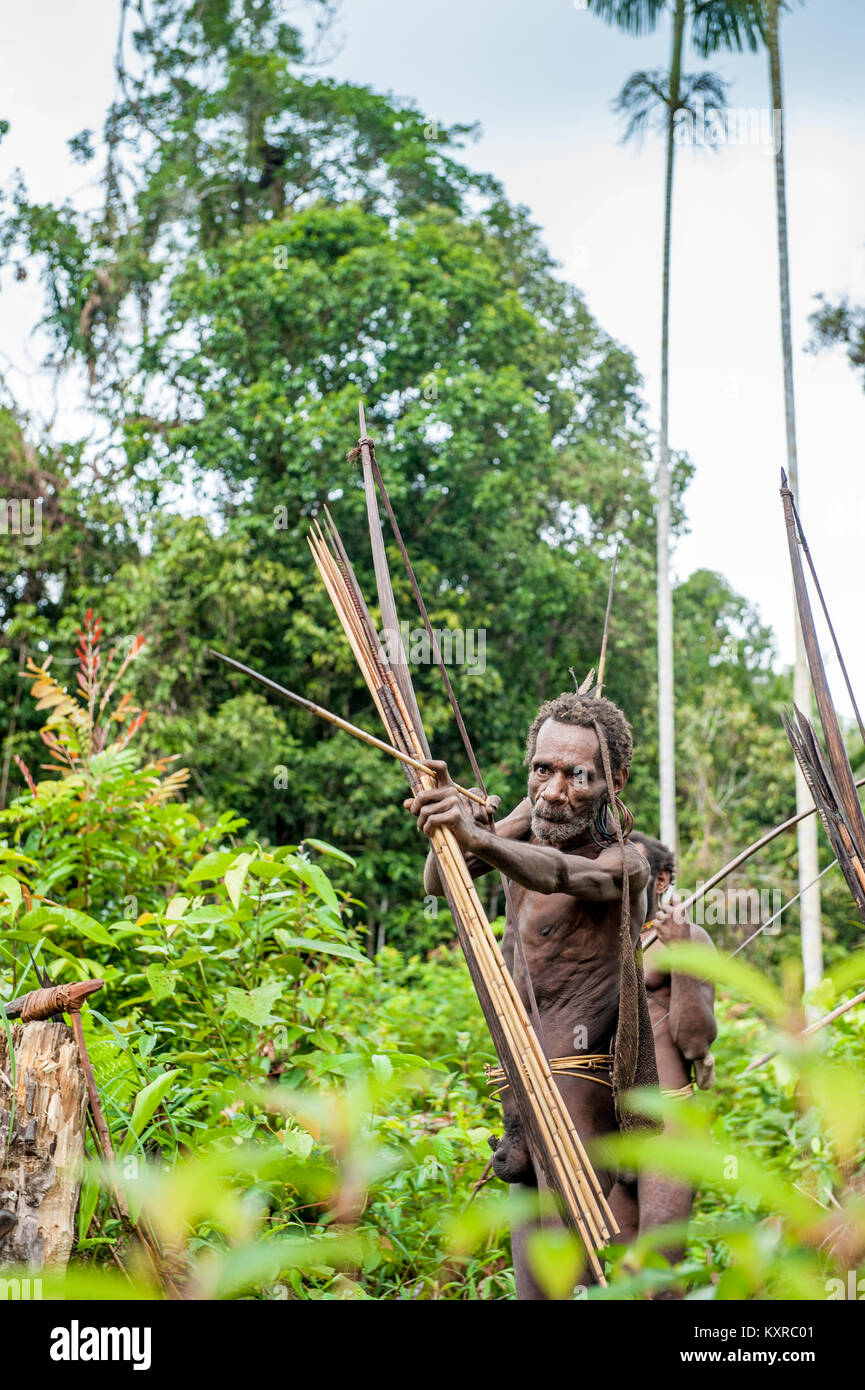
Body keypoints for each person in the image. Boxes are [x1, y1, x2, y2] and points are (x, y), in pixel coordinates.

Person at [405, 691, 657, 1298]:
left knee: (561, 1287)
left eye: (579, 775)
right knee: (531, 1295)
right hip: (519, 1087)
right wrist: (452, 820)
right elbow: (440, 881)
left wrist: (482, 837)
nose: (555, 789)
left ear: (614, 781)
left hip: (578, 1091)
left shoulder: (626, 861)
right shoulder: (533, 821)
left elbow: (567, 875)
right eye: (543, 769)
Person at [607, 831, 717, 1293]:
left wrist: (680, 954)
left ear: (662, 881)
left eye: (634, 870)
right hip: (615, 1121)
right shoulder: (608, 940)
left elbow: (695, 1040)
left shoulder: (689, 939)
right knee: (616, 1266)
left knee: (658, 1271)